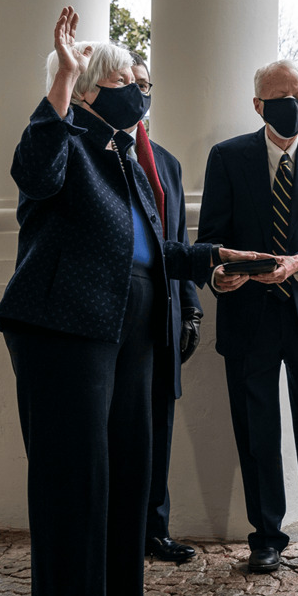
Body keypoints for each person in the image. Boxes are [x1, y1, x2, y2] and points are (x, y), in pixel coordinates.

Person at [0, 7, 263, 596]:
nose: (139, 95)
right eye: (124, 85)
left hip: (134, 330)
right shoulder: (64, 144)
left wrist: (218, 259)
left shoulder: (124, 156)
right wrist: (58, 81)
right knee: (74, 476)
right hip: (66, 330)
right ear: (87, 92)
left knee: (129, 466)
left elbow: (157, 250)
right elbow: (32, 174)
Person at [197, 59, 298, 572]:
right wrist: (219, 276)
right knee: (256, 428)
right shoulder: (227, 158)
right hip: (250, 316)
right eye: (282, 96)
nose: (294, 104)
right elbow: (210, 241)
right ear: (259, 104)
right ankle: (266, 535)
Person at [128, 52, 202, 564]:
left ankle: (156, 530)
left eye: (145, 84)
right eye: (130, 83)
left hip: (166, 319)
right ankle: (121, 535)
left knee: (159, 429)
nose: (139, 92)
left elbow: (177, 241)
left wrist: (192, 309)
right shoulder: (103, 153)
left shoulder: (168, 164)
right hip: (122, 319)